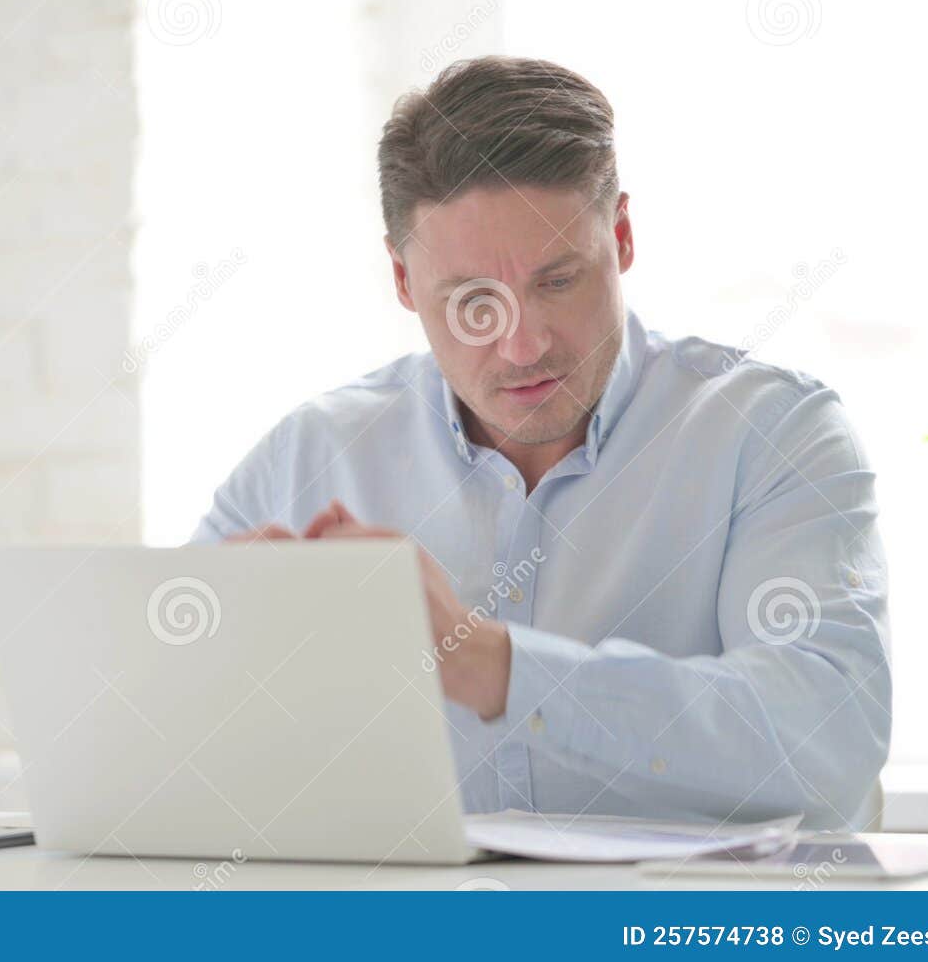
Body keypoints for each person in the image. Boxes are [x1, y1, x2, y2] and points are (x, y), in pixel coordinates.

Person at [192, 56, 890, 830]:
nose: (522, 347)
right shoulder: (308, 458)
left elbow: (827, 746)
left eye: (558, 282)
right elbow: (169, 745)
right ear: (400, 280)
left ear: (621, 238)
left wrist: (490, 666)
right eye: (470, 303)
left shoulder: (772, 435)